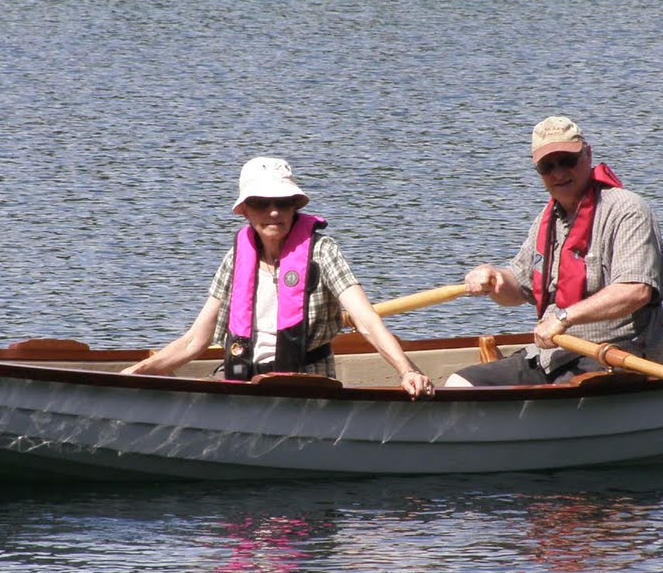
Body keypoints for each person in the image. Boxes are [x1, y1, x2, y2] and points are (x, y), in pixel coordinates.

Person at [123, 157, 434, 398]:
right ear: (243, 210)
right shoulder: (237, 257)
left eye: (283, 202)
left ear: (295, 206)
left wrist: (407, 371)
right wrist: (136, 372)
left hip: (305, 388)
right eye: (261, 203)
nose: (273, 212)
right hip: (242, 383)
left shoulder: (322, 252)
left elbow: (366, 321)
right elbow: (194, 340)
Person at [444, 117, 663, 387]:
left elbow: (635, 291)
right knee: (459, 383)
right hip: (552, 355)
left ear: (587, 154)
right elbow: (519, 288)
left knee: (553, 396)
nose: (558, 172)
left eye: (567, 160)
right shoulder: (547, 219)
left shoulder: (627, 210)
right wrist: (494, 278)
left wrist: (564, 318)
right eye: (547, 166)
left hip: (617, 355)